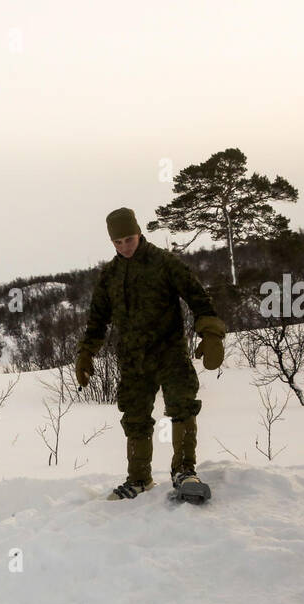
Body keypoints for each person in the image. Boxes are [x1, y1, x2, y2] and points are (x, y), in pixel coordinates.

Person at [74, 207, 226, 501]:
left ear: (139, 233)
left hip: (169, 352)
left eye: (128, 239)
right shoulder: (110, 275)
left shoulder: (165, 263)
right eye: (117, 243)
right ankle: (139, 479)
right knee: (135, 417)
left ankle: (184, 472)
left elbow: (199, 299)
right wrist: (86, 353)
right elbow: (96, 321)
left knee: (182, 407)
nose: (124, 247)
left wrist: (211, 332)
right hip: (132, 360)